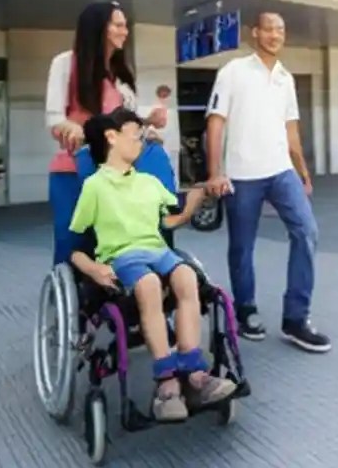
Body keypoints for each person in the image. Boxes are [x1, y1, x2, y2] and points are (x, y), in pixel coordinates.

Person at [68, 108, 237, 421]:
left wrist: (201, 194)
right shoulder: (95, 186)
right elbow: (75, 249)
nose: (142, 142)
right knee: (148, 285)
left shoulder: (147, 182)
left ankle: (194, 373)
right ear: (111, 137)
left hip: (158, 251)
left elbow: (169, 220)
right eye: (136, 135)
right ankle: (166, 383)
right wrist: (93, 269)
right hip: (124, 256)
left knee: (186, 275)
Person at [204, 11, 331, 353]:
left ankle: (295, 319)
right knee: (242, 247)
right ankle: (246, 310)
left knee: (307, 231)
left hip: (280, 171)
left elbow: (291, 132)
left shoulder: (286, 79)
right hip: (242, 175)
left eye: (281, 29)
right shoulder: (233, 71)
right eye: (269, 29)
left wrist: (302, 171)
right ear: (254, 33)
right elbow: (215, 123)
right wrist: (215, 171)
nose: (275, 34)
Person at [46, 0, 170, 267]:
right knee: (72, 239)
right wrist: (71, 127)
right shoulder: (66, 64)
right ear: (98, 27)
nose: (124, 31)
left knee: (118, 237)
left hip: (116, 174)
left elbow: (127, 123)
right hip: (73, 169)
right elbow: (53, 118)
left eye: (126, 26)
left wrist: (148, 125)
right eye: (118, 25)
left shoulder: (121, 77)